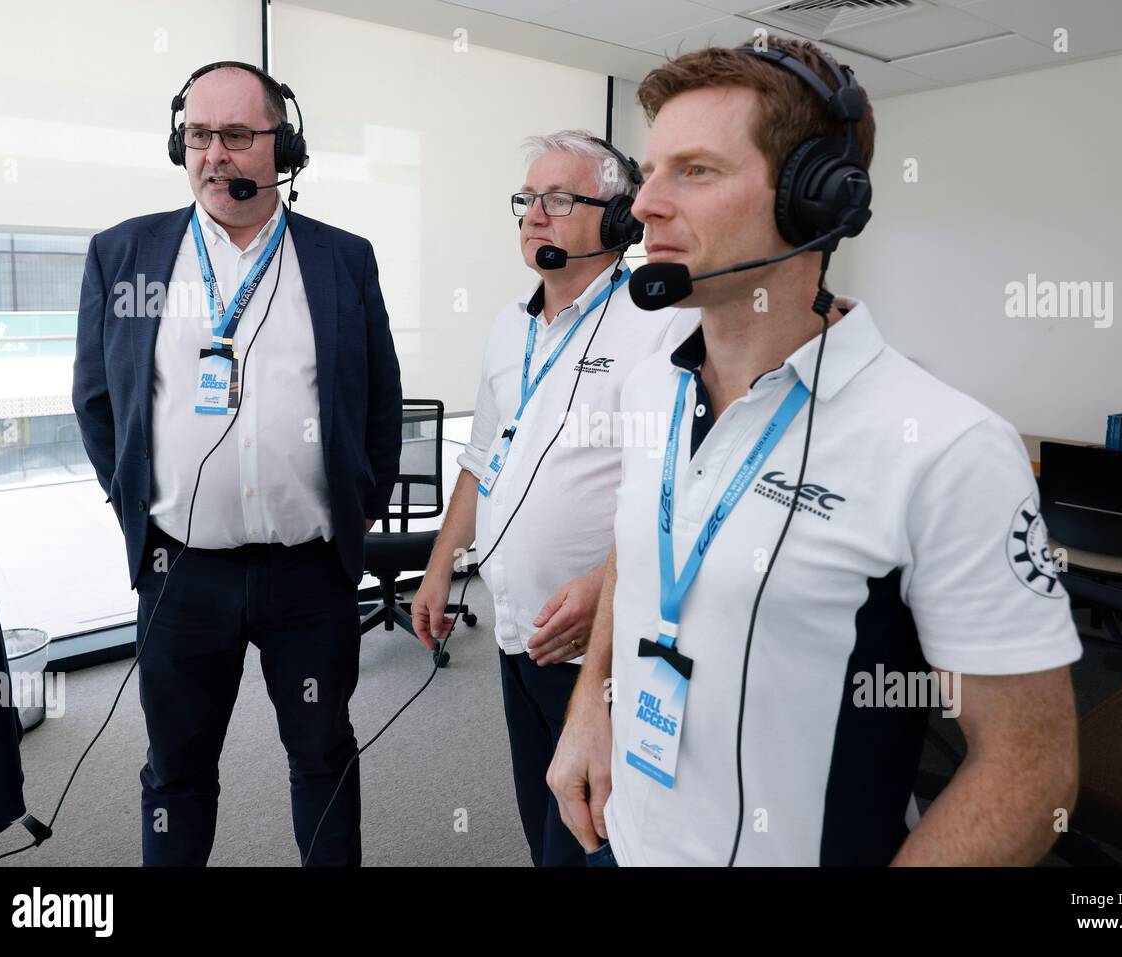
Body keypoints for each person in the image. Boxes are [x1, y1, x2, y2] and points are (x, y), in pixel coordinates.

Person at [548, 39, 1081, 866]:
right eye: (648, 171)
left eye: (694, 171)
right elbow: (641, 548)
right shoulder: (652, 384)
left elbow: (1031, 766)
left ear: (815, 201)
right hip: (622, 837)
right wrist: (592, 701)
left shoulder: (947, 448)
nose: (643, 205)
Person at [72, 61, 403, 866]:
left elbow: (379, 396)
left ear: (281, 145)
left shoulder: (342, 258)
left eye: (238, 136)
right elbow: (96, 400)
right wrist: (140, 507)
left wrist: (359, 500)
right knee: (177, 769)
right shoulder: (127, 255)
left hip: (309, 572)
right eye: (198, 136)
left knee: (322, 754)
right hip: (180, 571)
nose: (215, 154)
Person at [411, 131, 695, 866]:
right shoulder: (510, 324)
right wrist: (442, 564)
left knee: (599, 834)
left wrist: (605, 583)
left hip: (598, 640)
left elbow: (681, 482)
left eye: (559, 199)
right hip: (516, 633)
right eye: (527, 198)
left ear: (619, 219)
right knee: (543, 820)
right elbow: (482, 458)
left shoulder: (661, 322)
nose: (534, 214)